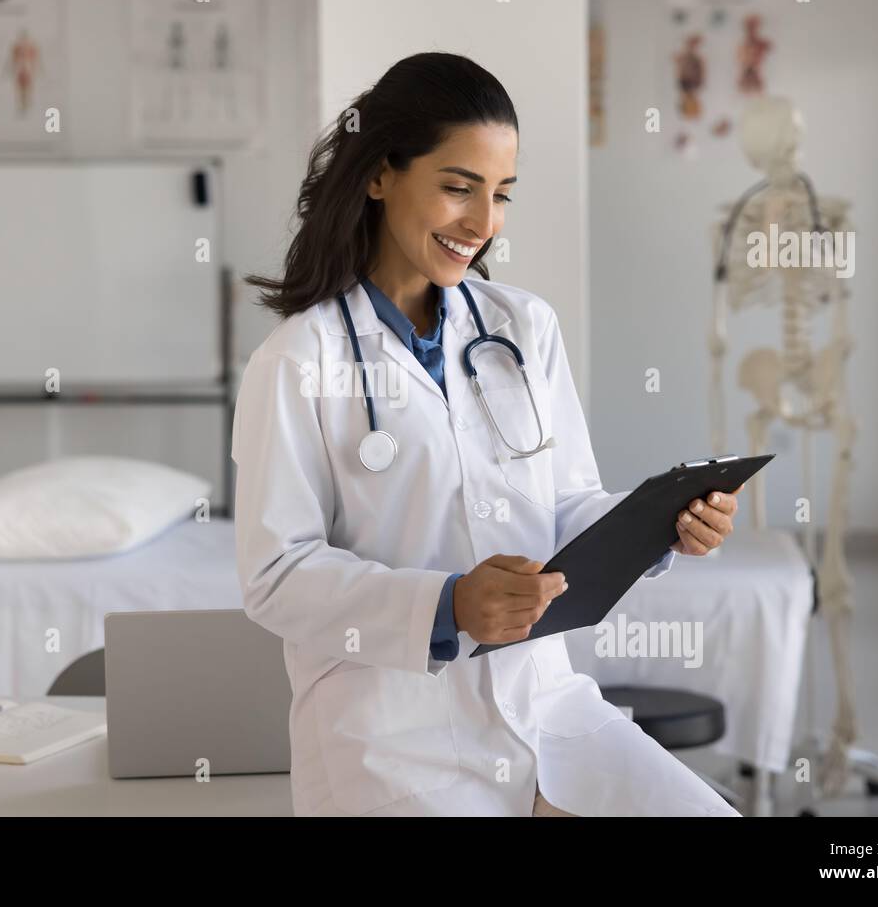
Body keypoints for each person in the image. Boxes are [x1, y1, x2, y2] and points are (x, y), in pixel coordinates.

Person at [233, 52, 742, 817]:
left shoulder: (522, 328)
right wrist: (446, 606)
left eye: (501, 195)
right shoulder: (297, 360)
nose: (483, 223)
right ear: (379, 175)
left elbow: (567, 505)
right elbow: (275, 575)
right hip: (392, 740)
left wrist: (658, 524)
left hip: (546, 708)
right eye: (457, 187)